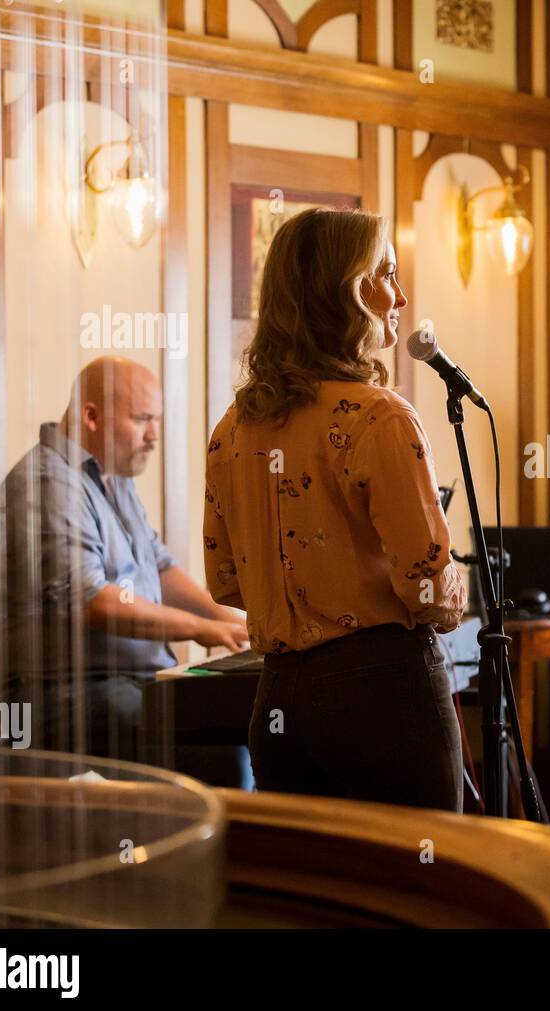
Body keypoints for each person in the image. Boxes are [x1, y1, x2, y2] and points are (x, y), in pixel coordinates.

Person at [204, 207, 467, 811]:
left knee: (319, 889)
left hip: (277, 699)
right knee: (421, 881)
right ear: (346, 290)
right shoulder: (381, 418)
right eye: (386, 273)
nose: (400, 295)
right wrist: (456, 587)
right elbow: (428, 592)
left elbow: (225, 582)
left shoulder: (233, 430)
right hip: (384, 694)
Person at [0, 356, 249, 763]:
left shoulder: (111, 478)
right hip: (70, 694)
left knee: (243, 715)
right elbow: (91, 602)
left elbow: (161, 569)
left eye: (157, 420)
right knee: (223, 750)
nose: (153, 436)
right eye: (142, 419)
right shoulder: (47, 484)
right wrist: (201, 628)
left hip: (127, 682)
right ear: (90, 416)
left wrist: (235, 622)